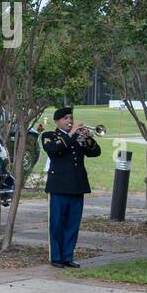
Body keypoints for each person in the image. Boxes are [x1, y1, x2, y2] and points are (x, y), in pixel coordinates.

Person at [41, 107, 101, 268]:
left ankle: (68, 256)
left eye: (71, 118)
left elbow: (95, 153)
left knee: (72, 224)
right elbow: (53, 149)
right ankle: (56, 257)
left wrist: (88, 139)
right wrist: (71, 133)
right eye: (66, 118)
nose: (70, 121)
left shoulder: (78, 136)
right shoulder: (49, 136)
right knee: (57, 224)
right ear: (57, 121)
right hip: (58, 187)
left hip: (77, 186)